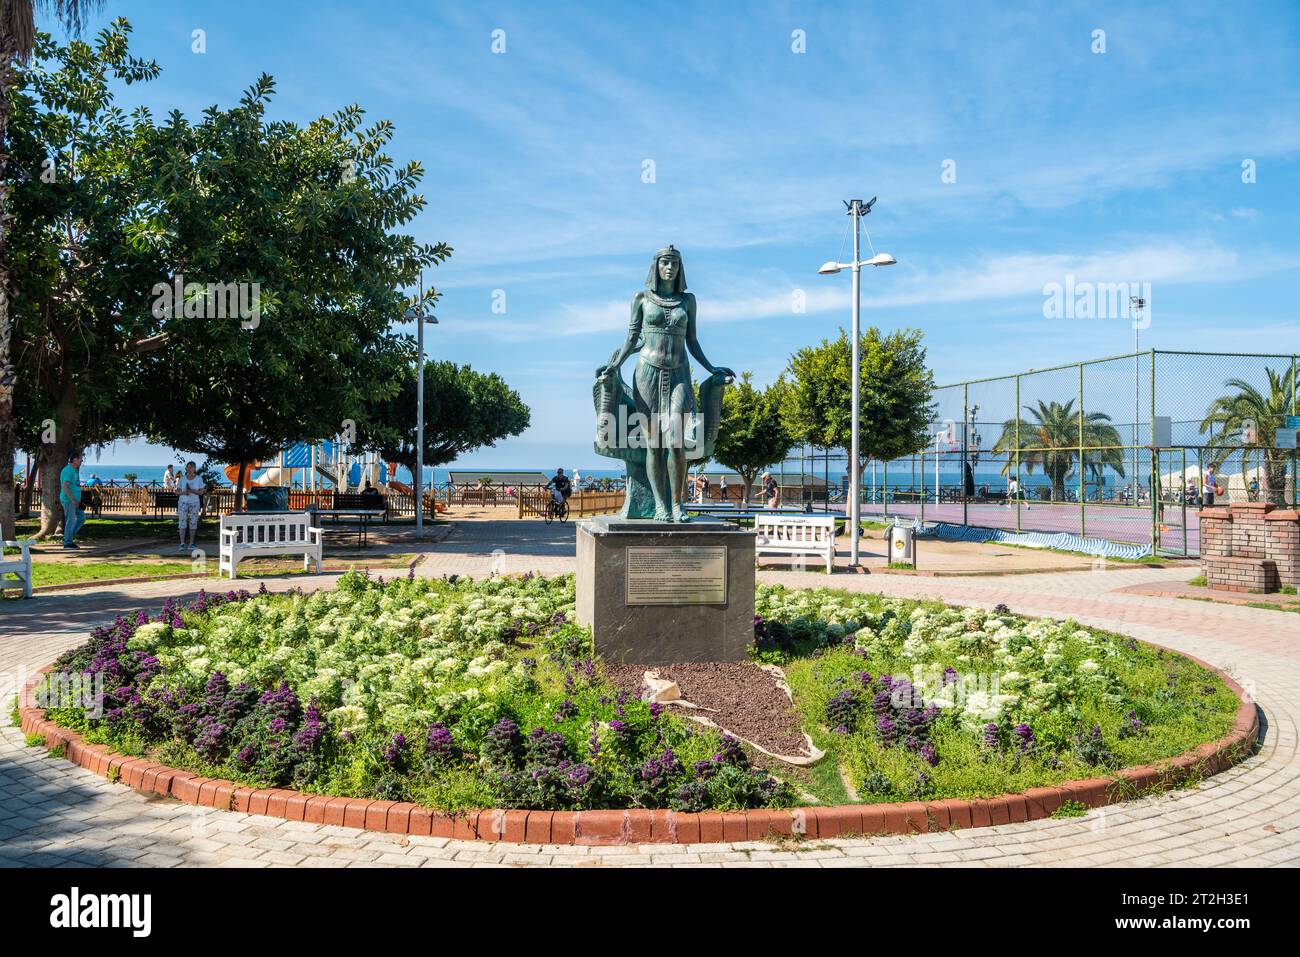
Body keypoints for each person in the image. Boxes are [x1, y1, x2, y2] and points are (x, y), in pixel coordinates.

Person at [176, 461, 206, 552]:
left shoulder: (199, 479)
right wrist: (183, 492)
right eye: (187, 467)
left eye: (190, 467)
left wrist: (191, 490)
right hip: (183, 503)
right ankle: (182, 543)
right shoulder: (182, 479)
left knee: (193, 522)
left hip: (194, 503)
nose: (188, 469)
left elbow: (201, 492)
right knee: (182, 522)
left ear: (194, 468)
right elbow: (177, 492)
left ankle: (191, 543)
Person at [59, 452, 85, 550]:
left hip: (75, 501)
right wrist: (73, 500)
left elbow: (74, 486)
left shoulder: (74, 470)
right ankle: (68, 543)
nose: (81, 461)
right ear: (74, 459)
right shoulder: (68, 470)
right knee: (71, 520)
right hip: (69, 500)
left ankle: (67, 538)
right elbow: (65, 487)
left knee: (81, 518)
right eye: (80, 459)